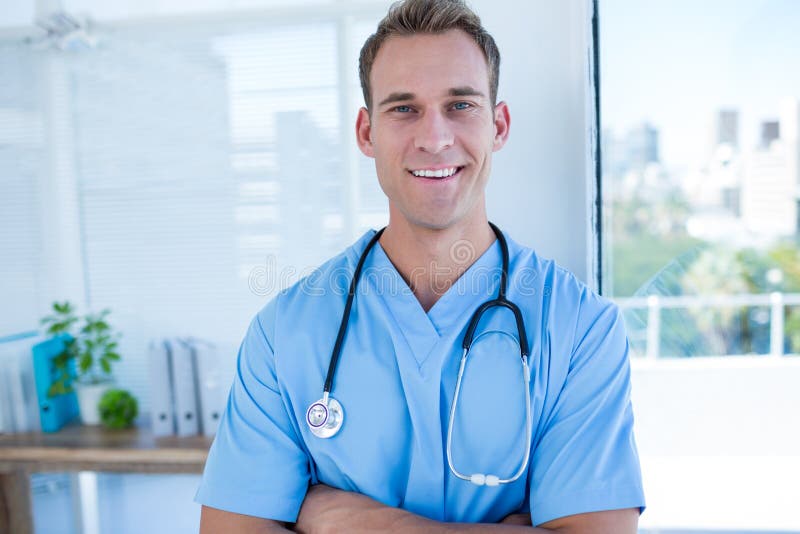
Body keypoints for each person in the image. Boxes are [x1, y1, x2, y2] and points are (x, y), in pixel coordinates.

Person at [195, 0, 646, 531]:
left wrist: (347, 521)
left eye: (461, 105)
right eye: (404, 109)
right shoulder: (285, 332)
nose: (434, 139)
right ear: (367, 133)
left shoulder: (580, 329)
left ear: (498, 125)